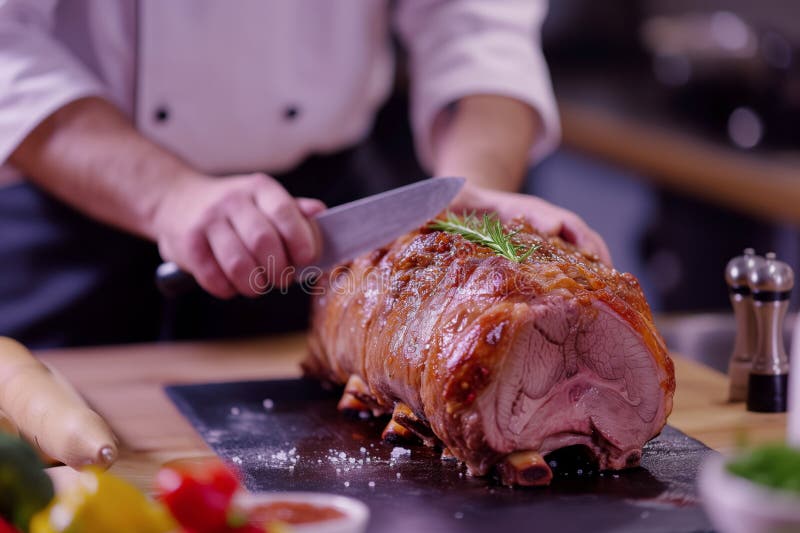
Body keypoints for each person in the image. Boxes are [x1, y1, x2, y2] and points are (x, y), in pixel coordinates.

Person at [0, 1, 610, 348]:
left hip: (312, 235)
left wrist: (475, 183)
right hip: (67, 218)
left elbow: (474, 22)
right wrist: (169, 197)